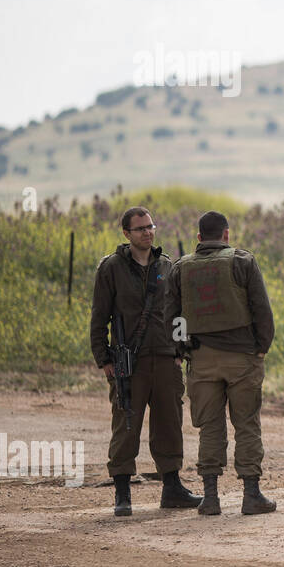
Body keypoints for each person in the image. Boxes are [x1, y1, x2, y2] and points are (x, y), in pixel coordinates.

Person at [90, 207, 202, 516]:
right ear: (126, 233)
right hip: (129, 361)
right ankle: (123, 493)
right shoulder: (111, 268)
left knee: (169, 423)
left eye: (150, 226)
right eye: (140, 228)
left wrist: (180, 351)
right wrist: (103, 359)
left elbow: (180, 313)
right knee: (126, 424)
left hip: (166, 359)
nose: (147, 232)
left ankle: (172, 488)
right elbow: (99, 317)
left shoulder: (167, 266)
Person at [165, 210, 276, 515]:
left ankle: (211, 498)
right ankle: (251, 495)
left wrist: (181, 350)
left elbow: (172, 317)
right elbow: (261, 310)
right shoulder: (242, 262)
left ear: (199, 238)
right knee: (247, 425)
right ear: (226, 235)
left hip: (201, 360)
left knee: (210, 428)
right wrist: (261, 348)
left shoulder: (180, 268)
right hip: (243, 358)